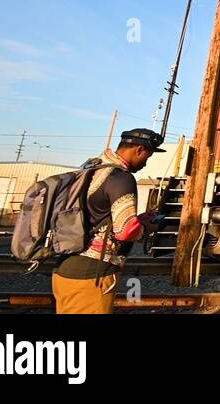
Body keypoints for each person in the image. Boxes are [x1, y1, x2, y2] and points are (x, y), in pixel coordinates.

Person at [51, 128, 165, 314]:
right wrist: (147, 227)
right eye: (148, 156)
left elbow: (96, 215)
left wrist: (138, 220)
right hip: (92, 276)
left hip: (66, 268)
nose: (145, 163)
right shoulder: (121, 178)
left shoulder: (91, 170)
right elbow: (126, 231)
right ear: (139, 150)